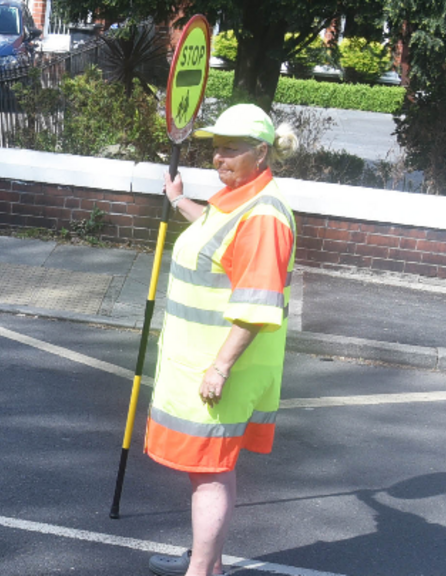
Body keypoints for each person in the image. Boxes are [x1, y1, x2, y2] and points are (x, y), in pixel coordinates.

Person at [145, 104, 298, 576]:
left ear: (261, 153)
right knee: (205, 469)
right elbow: (214, 234)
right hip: (201, 365)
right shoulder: (235, 202)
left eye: (231, 149)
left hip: (220, 370)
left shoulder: (264, 216)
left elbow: (258, 305)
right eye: (216, 148)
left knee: (210, 470)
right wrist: (179, 201)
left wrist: (220, 367)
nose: (219, 158)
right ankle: (205, 561)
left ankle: (203, 572)